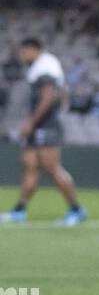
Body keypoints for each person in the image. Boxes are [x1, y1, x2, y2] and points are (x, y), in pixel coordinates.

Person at [0, 36, 87, 226]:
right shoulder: (39, 67)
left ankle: (76, 210)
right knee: (30, 166)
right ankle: (19, 210)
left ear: (34, 50)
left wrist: (30, 123)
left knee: (52, 168)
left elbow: (47, 97)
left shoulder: (45, 65)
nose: (22, 56)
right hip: (38, 125)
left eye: (24, 52)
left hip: (46, 124)